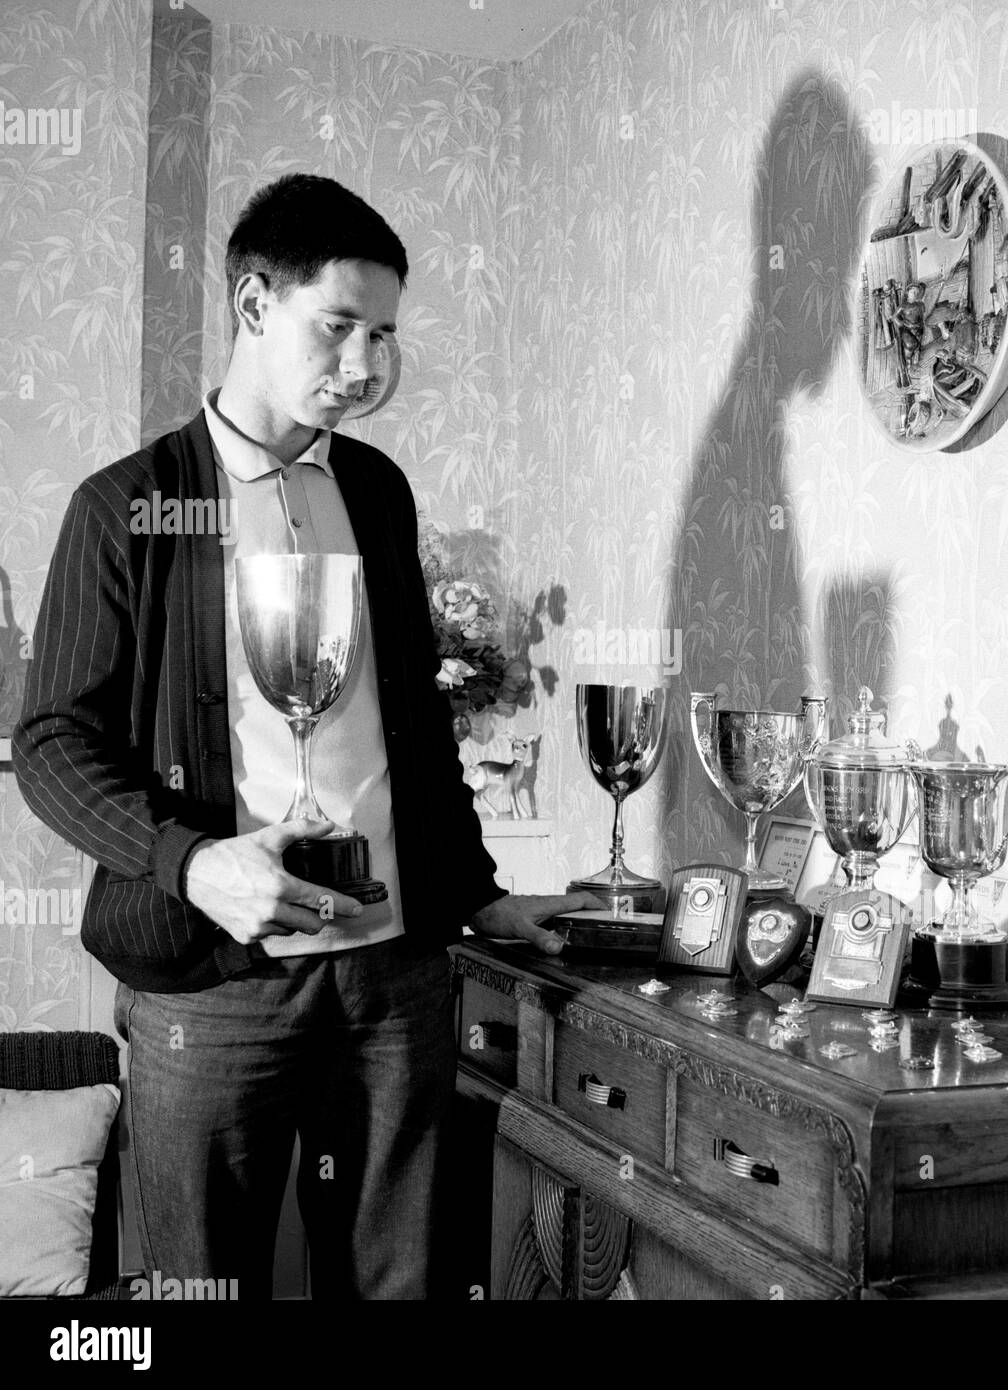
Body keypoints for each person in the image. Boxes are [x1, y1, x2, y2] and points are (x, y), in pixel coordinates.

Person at [13, 173, 597, 1300]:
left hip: (393, 979)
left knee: (402, 1285)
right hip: (209, 988)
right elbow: (48, 739)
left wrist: (475, 893)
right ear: (251, 306)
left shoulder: (375, 490)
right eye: (340, 326)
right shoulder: (128, 506)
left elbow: (414, 718)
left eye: (385, 333)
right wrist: (192, 863)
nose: (368, 363)